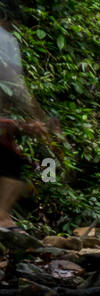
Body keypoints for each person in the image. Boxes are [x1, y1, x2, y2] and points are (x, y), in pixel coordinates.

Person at [0, 7, 51, 230]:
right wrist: (35, 119)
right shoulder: (5, 41)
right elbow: (16, 84)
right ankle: (2, 215)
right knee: (14, 163)